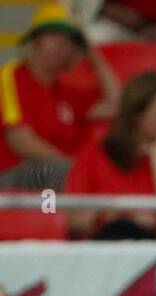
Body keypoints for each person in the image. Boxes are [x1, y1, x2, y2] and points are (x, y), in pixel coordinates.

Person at [63, 70, 156, 238]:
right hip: (107, 243)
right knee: (122, 228)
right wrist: (116, 212)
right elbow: (74, 219)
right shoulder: (95, 155)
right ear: (138, 116)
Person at [0, 3, 119, 190]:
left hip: (59, 177)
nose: (61, 45)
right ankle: (59, 208)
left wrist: (94, 57)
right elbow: (20, 140)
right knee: (60, 171)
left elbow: (115, 106)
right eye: (53, 35)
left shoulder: (65, 92)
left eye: (69, 40)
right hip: (11, 177)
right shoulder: (11, 76)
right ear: (35, 40)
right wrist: (75, 167)